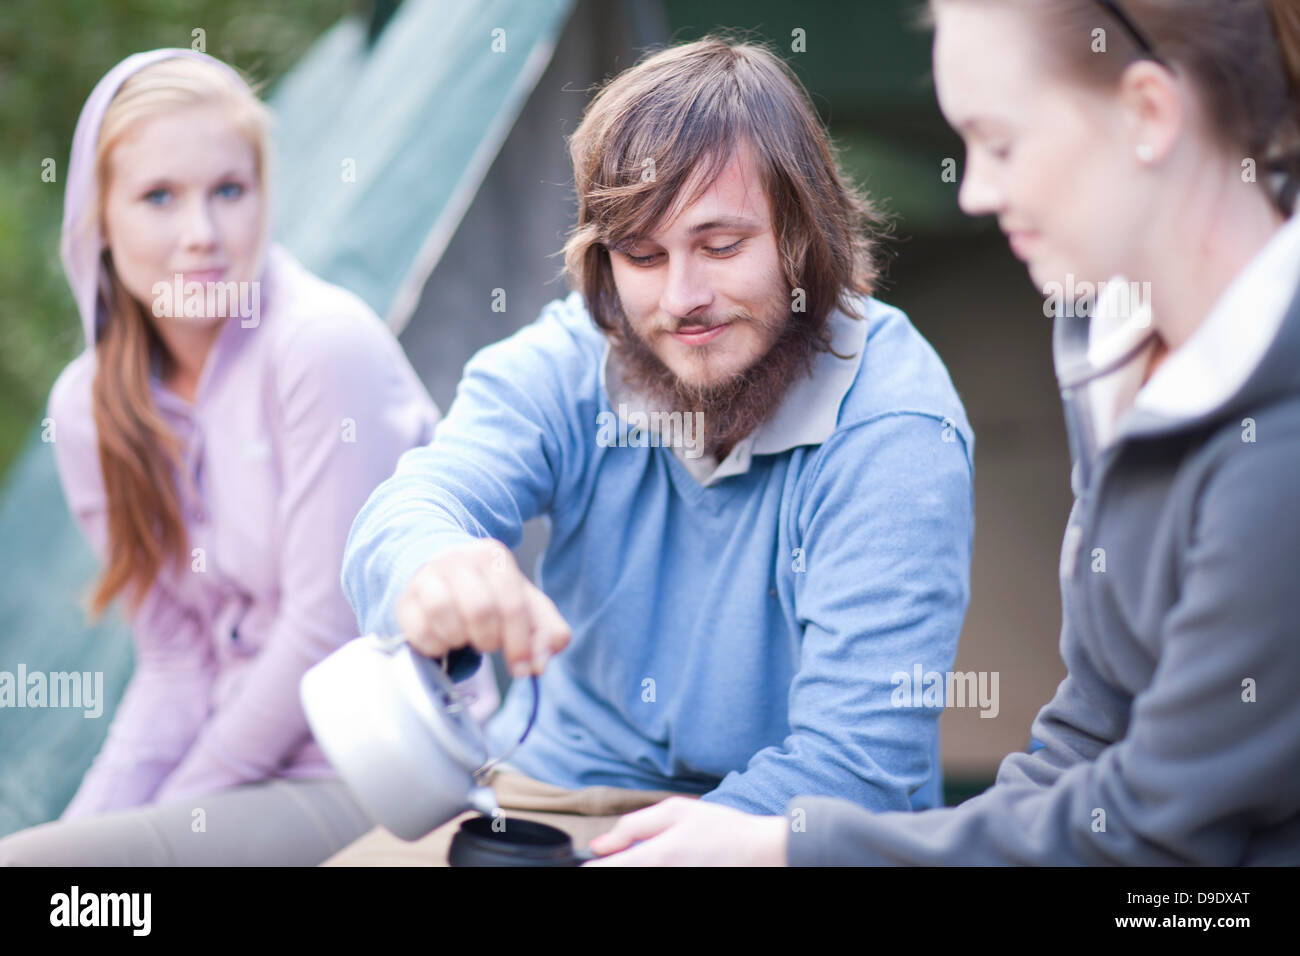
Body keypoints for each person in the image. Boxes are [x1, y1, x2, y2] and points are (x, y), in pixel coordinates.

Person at [586, 0, 1300, 866]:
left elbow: (1155, 832)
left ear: (1149, 113)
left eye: (1000, 142)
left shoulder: (1278, 453)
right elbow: (1090, 729)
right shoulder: (1103, 337)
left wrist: (789, 848)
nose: (974, 190)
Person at [324, 36, 975, 866]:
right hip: (549, 792)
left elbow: (856, 766)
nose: (680, 299)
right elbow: (410, 507)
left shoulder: (896, 424)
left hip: (786, 830)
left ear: (804, 236)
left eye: (721, 245)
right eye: (641, 254)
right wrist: (434, 564)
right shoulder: (572, 355)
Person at [0, 49, 497, 866]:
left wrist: (175, 817)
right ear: (99, 219)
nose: (201, 234)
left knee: (50, 878)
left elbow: (323, 629)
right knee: (42, 864)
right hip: (242, 780)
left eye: (228, 191)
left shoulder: (320, 347)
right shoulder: (87, 408)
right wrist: (95, 823)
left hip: (382, 765)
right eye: (159, 197)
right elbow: (172, 663)